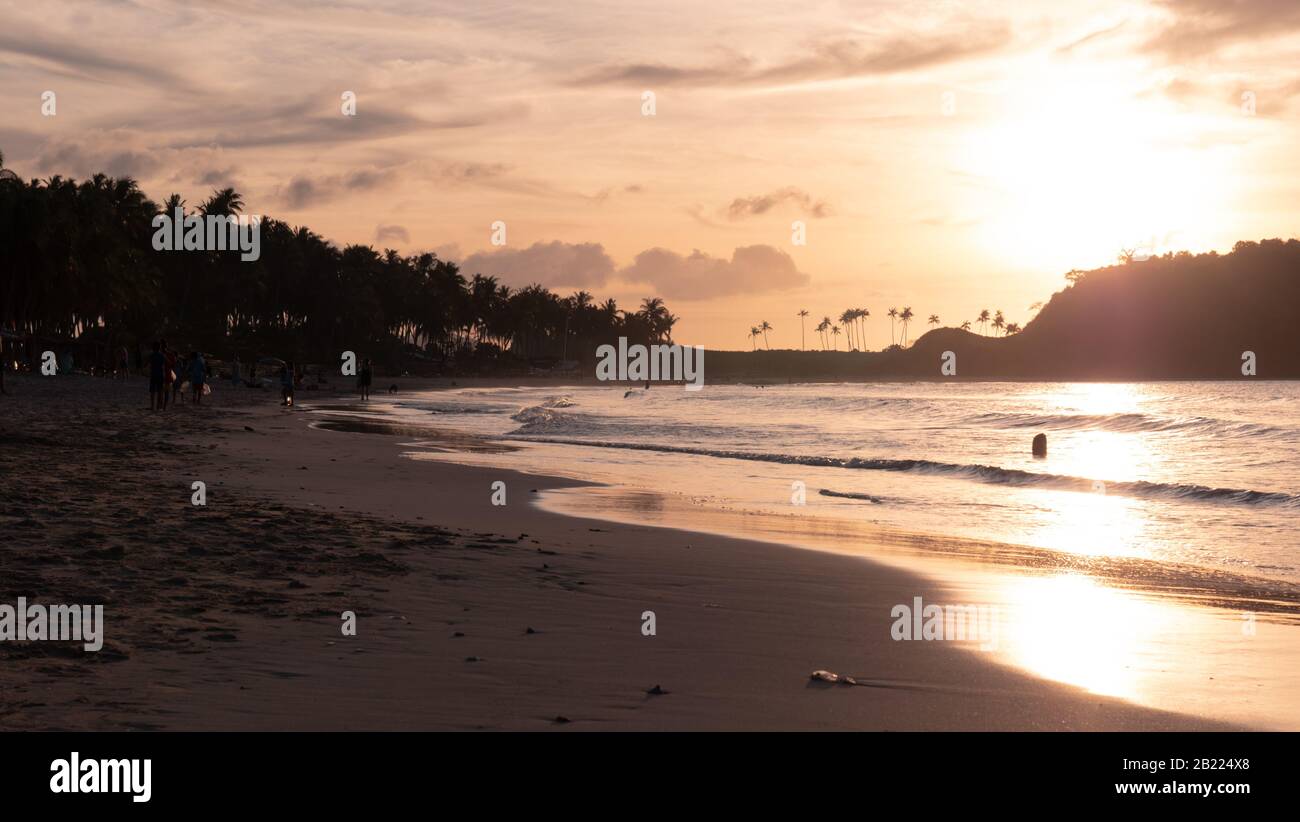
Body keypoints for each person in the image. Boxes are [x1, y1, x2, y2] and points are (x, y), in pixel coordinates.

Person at [148, 341, 166, 411]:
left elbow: (150, 365)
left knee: (152, 391)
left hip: (153, 374)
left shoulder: (152, 355)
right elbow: (164, 366)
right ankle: (158, 406)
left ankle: (152, 406)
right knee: (159, 391)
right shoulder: (162, 355)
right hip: (160, 374)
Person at [161, 340, 176, 410]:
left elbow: (173, 364)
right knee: (162, 392)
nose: (164, 347)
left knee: (165, 392)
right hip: (163, 375)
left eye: (164, 346)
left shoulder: (170, 354)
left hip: (166, 375)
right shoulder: (168, 354)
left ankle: (163, 406)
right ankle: (162, 406)